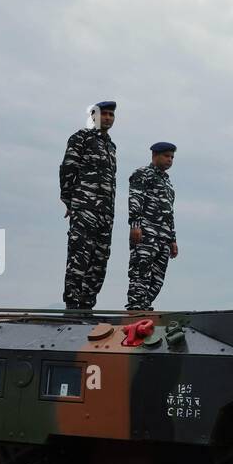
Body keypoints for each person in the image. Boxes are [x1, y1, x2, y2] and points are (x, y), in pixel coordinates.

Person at [59, 101, 118, 310]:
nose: (108, 118)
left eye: (111, 115)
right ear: (94, 116)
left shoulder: (111, 146)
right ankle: (72, 305)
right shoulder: (81, 137)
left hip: (105, 214)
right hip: (85, 207)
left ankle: (87, 306)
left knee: (99, 261)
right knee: (79, 256)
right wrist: (69, 200)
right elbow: (68, 167)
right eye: (105, 114)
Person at [126, 142, 178, 310]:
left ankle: (145, 307)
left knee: (157, 279)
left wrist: (173, 239)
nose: (170, 160)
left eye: (172, 157)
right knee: (140, 273)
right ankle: (136, 309)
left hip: (163, 237)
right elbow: (135, 199)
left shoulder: (168, 182)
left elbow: (169, 212)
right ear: (155, 155)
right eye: (166, 156)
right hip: (146, 234)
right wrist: (135, 225)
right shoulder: (142, 174)